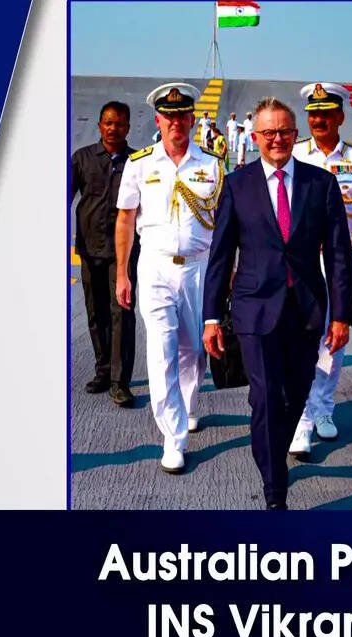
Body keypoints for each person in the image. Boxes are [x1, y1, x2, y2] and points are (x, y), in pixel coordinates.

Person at [202, 96, 352, 510]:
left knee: (295, 394)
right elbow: (221, 254)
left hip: (306, 309)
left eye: (285, 131)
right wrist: (212, 316)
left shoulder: (320, 184)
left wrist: (342, 315)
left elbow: (339, 254)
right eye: (268, 133)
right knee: (266, 396)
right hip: (254, 308)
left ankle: (271, 451)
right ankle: (275, 489)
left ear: (295, 134)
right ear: (255, 137)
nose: (277, 139)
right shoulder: (237, 184)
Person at [114, 83, 226, 473]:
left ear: (193, 120)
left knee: (193, 351)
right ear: (158, 120)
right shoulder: (140, 164)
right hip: (156, 266)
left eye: (183, 116)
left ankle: (189, 405)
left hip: (200, 268)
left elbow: (224, 225)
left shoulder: (211, 164)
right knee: (161, 350)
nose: (176, 122)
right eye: (169, 116)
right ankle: (173, 437)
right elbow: (126, 219)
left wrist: (227, 274)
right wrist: (123, 274)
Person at [287, 82, 352, 457]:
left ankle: (324, 408)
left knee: (335, 339)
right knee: (302, 337)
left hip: (340, 261)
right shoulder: (293, 155)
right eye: (313, 114)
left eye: (326, 113)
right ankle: (302, 421)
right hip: (301, 263)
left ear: (341, 117)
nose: (319, 119)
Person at [71, 100, 138, 408]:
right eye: (109, 123)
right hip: (89, 248)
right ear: (99, 125)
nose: (114, 128)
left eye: (120, 123)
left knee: (121, 313)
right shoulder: (82, 159)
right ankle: (103, 371)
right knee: (96, 312)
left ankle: (119, 381)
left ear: (128, 127)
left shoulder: (138, 161)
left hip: (123, 253)